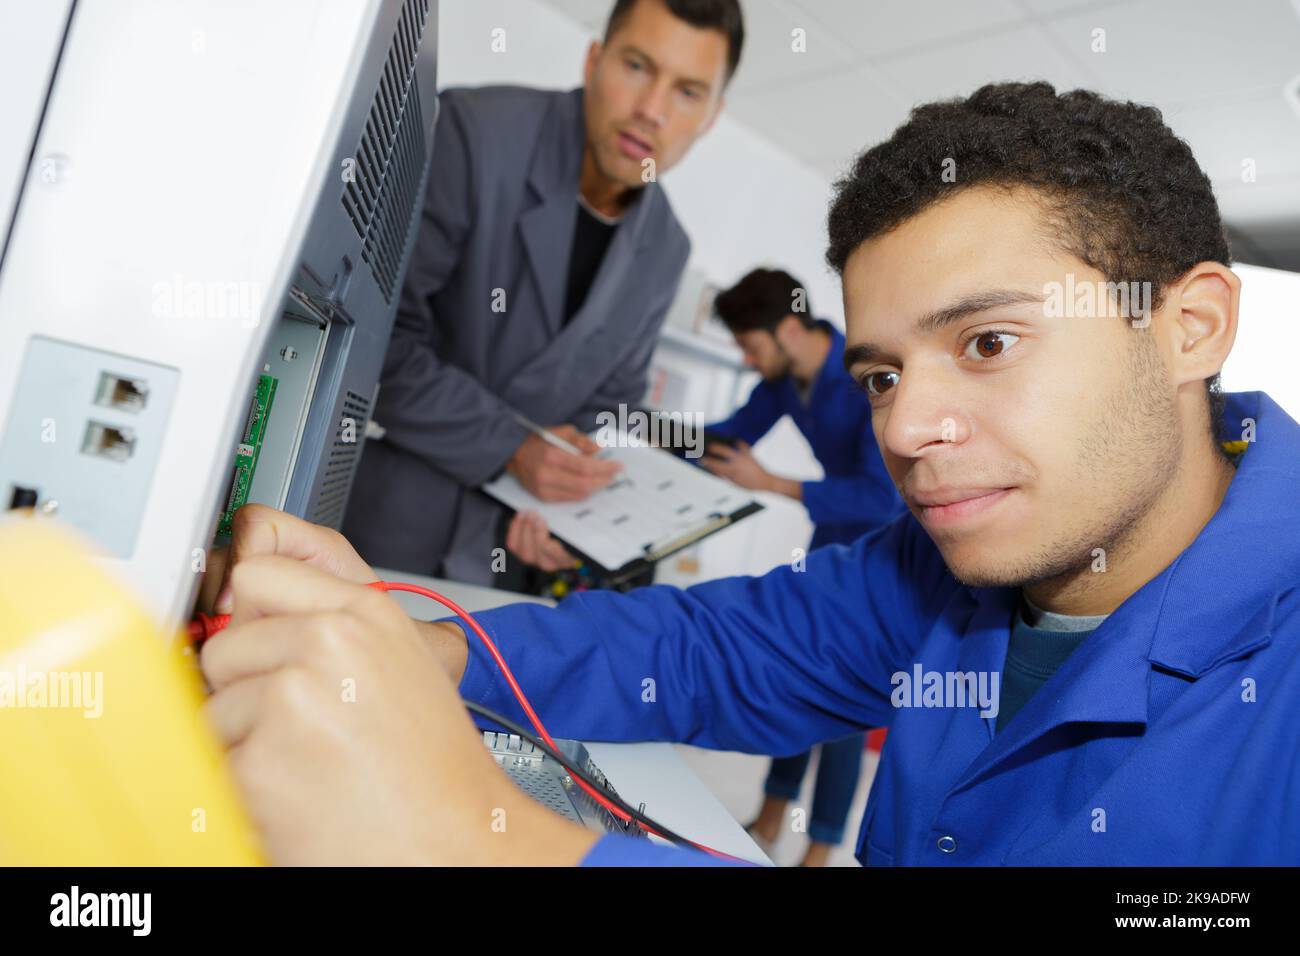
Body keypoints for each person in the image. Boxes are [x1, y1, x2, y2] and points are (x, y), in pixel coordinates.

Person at [200, 82, 1300, 866]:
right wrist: (424, 646)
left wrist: (474, 837)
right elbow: (704, 649)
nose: (908, 427)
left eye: (988, 342)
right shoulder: (940, 576)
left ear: (1190, 327)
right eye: (881, 375)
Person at [341, 0, 743, 587]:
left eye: (687, 92)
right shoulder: (477, 133)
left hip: (504, 556)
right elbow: (376, 340)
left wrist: (576, 512)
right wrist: (514, 447)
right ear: (594, 60)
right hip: (379, 523)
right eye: (637, 66)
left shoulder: (666, 248)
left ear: (710, 115)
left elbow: (609, 410)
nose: (651, 110)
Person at [697, 267, 904, 865]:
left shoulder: (865, 374)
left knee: (844, 702)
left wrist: (770, 483)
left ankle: (819, 849)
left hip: (884, 553)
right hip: (831, 543)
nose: (746, 359)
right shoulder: (785, 382)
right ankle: (768, 821)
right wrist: (638, 432)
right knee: (797, 679)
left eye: (750, 345)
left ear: (788, 329)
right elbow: (729, 437)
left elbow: (880, 496)